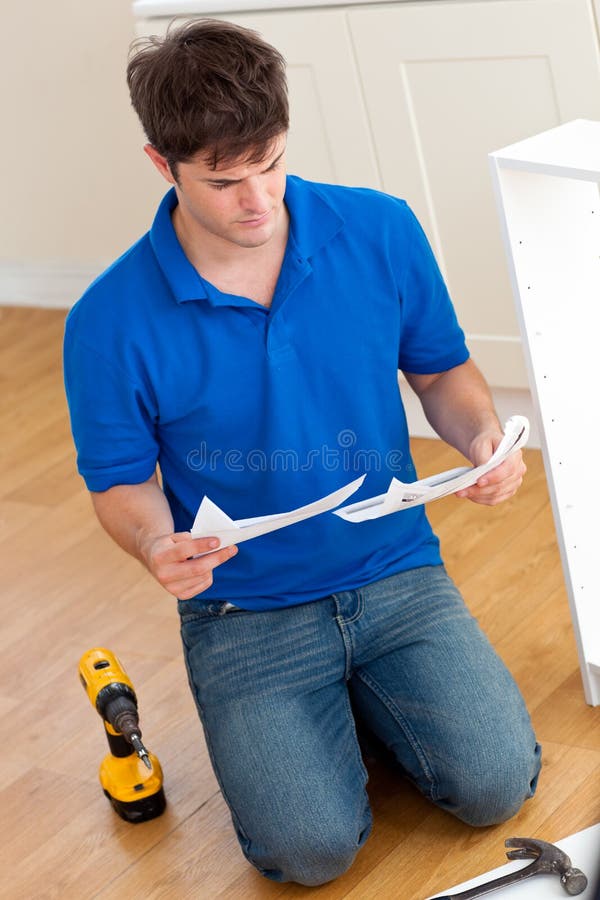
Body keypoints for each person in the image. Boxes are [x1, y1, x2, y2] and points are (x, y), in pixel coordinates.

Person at [64, 19, 541, 887]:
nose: (258, 200)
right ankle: (327, 718)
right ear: (161, 164)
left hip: (394, 568)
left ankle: (360, 704)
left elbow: (442, 373)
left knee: (496, 785)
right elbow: (122, 485)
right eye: (225, 180)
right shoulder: (107, 320)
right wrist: (152, 544)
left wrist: (477, 437)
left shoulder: (381, 229)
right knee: (306, 853)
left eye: (273, 163)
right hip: (246, 609)